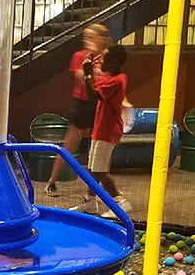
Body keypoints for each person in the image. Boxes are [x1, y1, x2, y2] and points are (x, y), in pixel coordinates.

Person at [44, 23, 110, 196]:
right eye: (85, 37)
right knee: (69, 145)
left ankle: (100, 187)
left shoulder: (106, 58)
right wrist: (90, 65)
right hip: (81, 104)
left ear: (101, 39)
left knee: (99, 148)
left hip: (99, 105)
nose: (87, 40)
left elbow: (109, 81)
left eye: (91, 37)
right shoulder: (80, 56)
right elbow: (81, 78)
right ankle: (51, 182)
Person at [73, 43, 132, 218]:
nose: (100, 60)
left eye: (104, 57)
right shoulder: (112, 78)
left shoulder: (117, 80)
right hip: (101, 129)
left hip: (107, 130)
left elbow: (93, 96)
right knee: (92, 168)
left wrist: (87, 73)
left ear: (114, 62)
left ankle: (119, 202)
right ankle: (90, 202)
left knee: (99, 170)